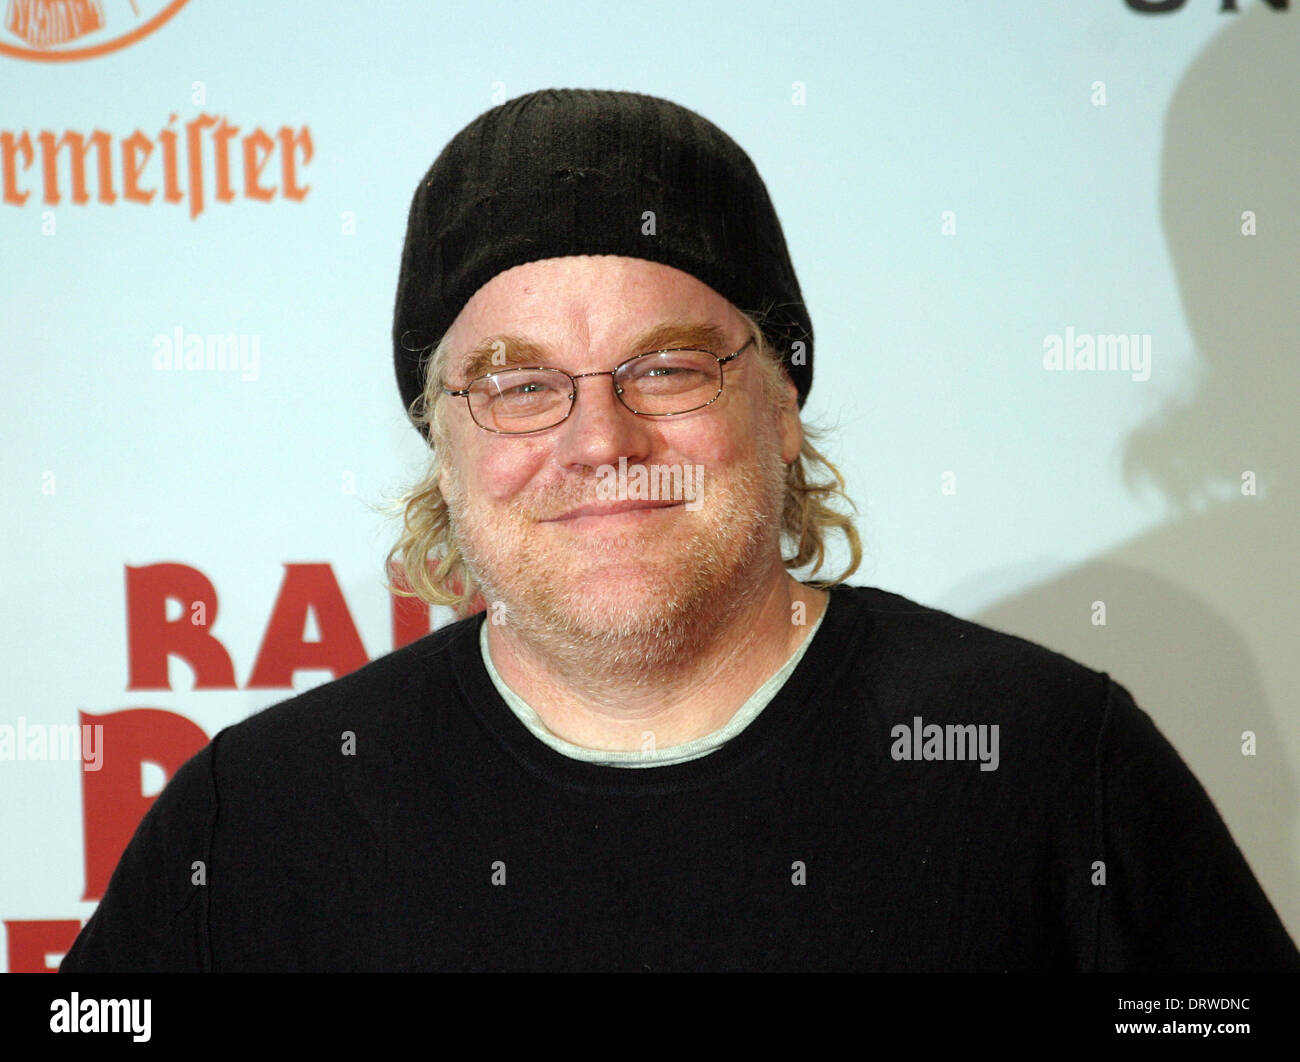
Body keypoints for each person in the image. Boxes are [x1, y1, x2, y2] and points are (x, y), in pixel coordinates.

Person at [61, 88, 1299, 972]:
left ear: (784, 407)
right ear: (441, 447)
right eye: (519, 383)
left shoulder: (1045, 763)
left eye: (666, 368)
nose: (600, 441)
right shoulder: (257, 816)